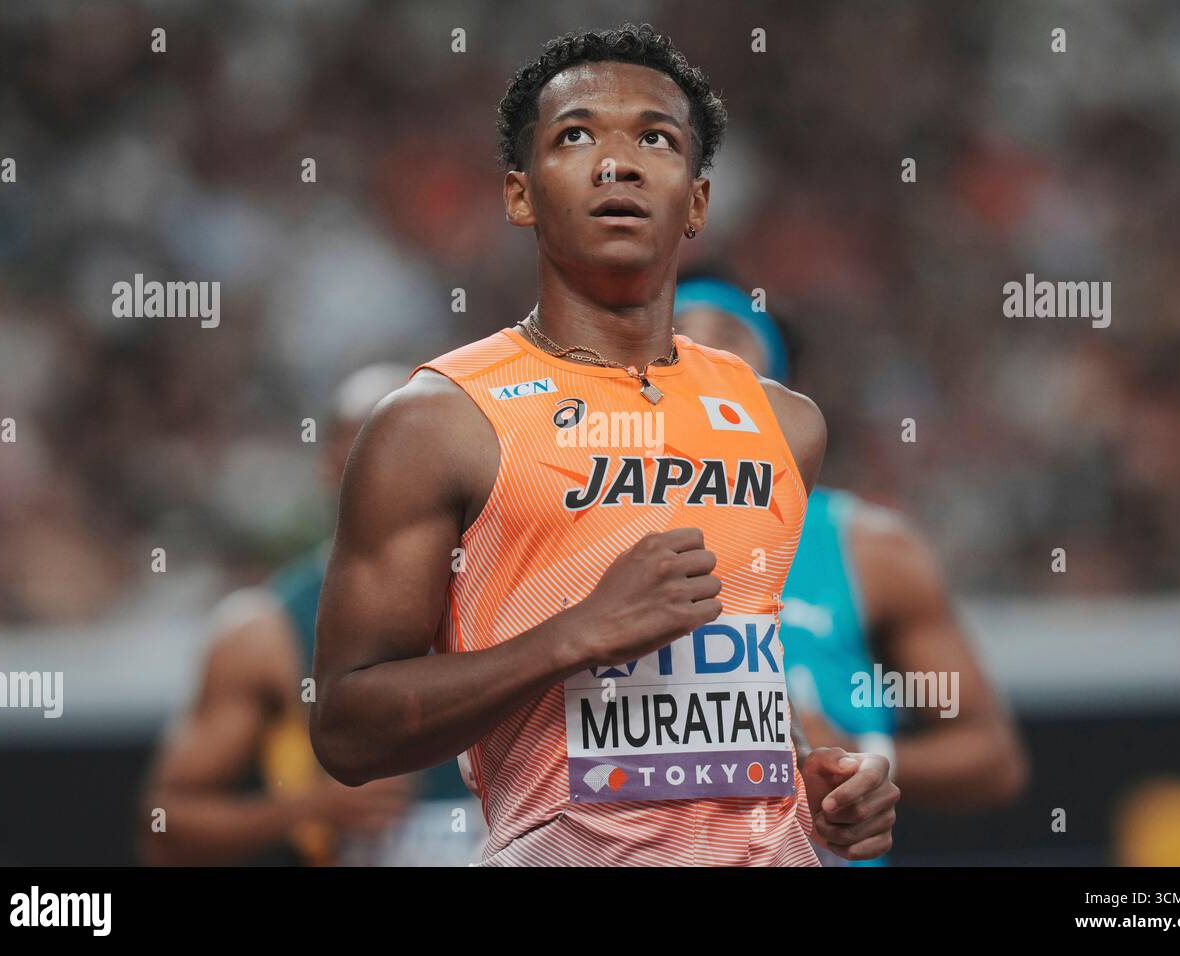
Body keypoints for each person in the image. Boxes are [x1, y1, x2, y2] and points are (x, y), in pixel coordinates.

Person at [310, 23, 899, 867]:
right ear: (520, 194)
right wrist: (574, 636)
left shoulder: (783, 423)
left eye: (655, 139)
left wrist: (812, 778)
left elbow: (722, 681)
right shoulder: (440, 421)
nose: (616, 164)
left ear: (694, 202)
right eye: (576, 135)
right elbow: (346, 727)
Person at [674, 275, 1029, 865]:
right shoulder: (564, 534)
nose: (701, 363)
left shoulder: (867, 547)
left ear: (786, 394)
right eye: (676, 342)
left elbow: (992, 761)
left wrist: (854, 752)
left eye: (731, 344)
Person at [140, 364, 484, 866]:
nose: (400, 466)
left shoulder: (522, 593)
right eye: (372, 443)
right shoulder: (262, 632)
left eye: (422, 446)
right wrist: (312, 808)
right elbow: (166, 822)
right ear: (331, 462)